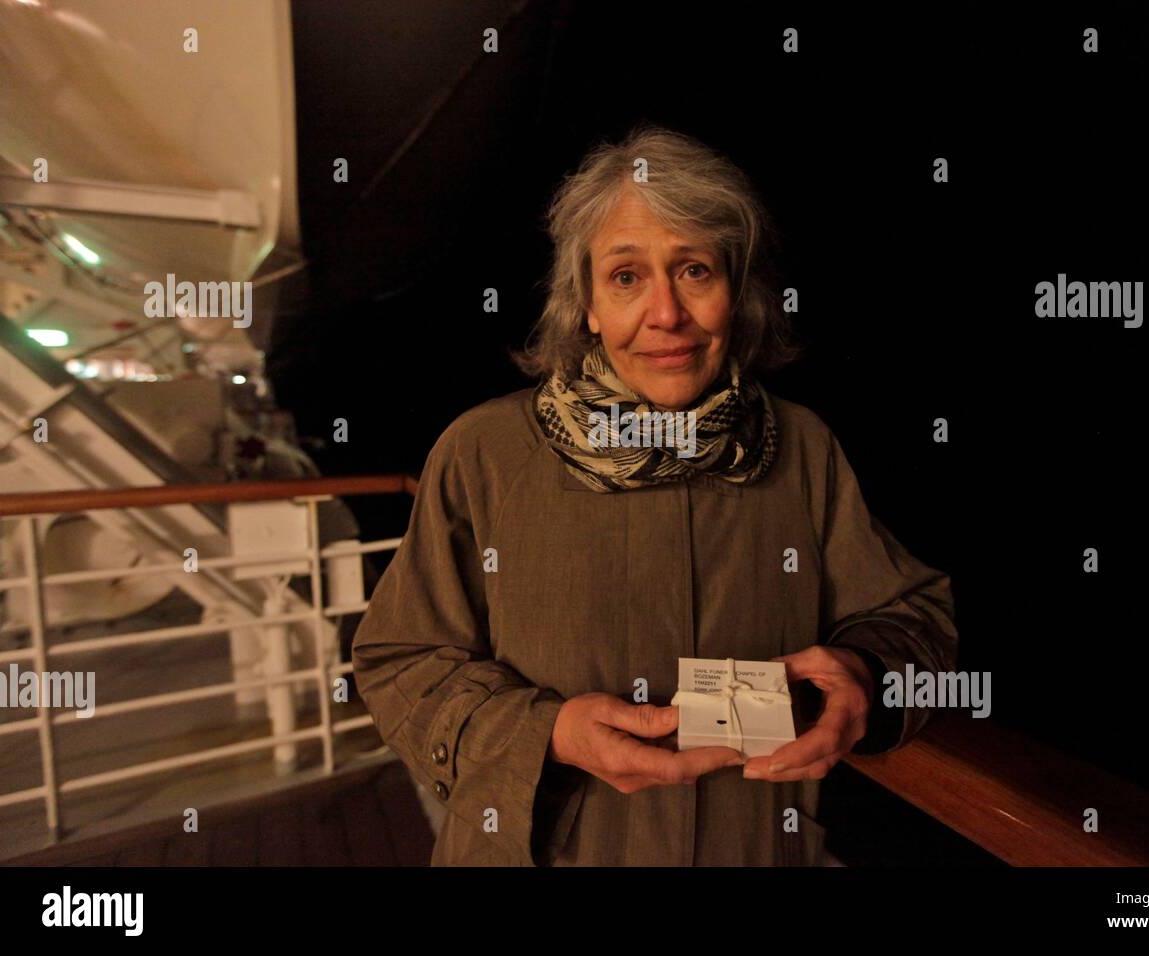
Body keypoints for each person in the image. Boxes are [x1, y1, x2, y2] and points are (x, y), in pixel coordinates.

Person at [352, 124, 958, 866]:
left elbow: (913, 614)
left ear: (736, 294)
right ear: (587, 306)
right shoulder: (484, 453)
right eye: (628, 276)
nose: (667, 314)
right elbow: (399, 660)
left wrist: (866, 673)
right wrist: (545, 732)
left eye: (696, 271)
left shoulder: (802, 448)